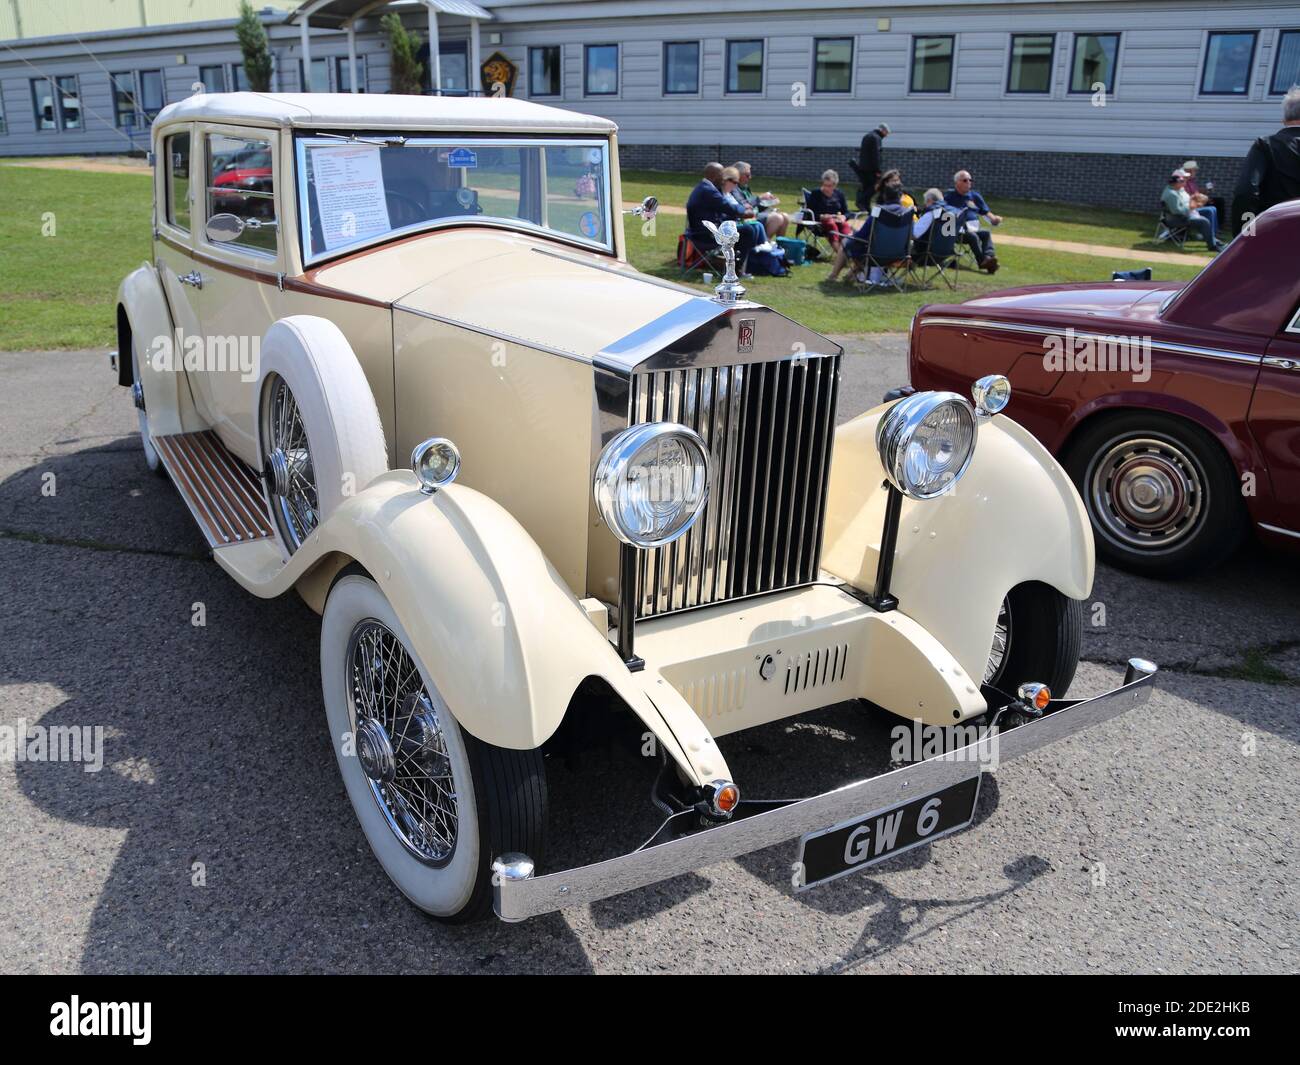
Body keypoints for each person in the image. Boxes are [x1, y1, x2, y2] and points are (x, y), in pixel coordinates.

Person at [1232, 87, 1300, 235]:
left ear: (1284, 120)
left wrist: (1245, 231)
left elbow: (1246, 191)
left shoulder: (1265, 145)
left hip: (1275, 231)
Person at [827, 170, 914, 284]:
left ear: (885, 195)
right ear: (900, 196)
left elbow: (861, 235)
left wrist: (851, 235)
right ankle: (850, 275)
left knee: (848, 242)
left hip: (876, 254)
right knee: (865, 246)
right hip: (900, 255)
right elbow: (911, 234)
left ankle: (833, 276)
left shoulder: (879, 211)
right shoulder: (908, 213)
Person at [686, 161, 758, 275]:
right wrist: (745, 211)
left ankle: (730, 265)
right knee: (748, 230)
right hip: (705, 235)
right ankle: (735, 270)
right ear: (714, 175)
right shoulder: (708, 191)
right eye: (721, 175)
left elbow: (723, 209)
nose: (723, 178)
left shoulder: (703, 187)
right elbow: (728, 207)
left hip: (699, 231)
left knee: (741, 228)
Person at [944, 170, 1001, 273]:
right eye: (965, 180)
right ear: (957, 183)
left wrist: (994, 219)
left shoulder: (975, 196)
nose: (969, 182)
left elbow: (985, 212)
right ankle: (982, 262)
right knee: (973, 237)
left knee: (986, 233)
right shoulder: (949, 196)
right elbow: (944, 211)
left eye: (970, 180)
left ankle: (989, 257)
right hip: (957, 232)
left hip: (973, 229)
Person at [1162, 170, 1222, 250]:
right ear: (1175, 183)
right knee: (1203, 221)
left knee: (1208, 213)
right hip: (1177, 219)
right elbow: (1177, 211)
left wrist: (1194, 201)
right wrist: (1191, 207)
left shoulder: (1179, 190)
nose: (1184, 182)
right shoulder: (1171, 194)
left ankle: (1213, 240)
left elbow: (1186, 202)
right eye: (1182, 181)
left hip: (1186, 214)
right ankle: (1212, 245)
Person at [732, 161, 789, 238]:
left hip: (755, 214)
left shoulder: (745, 188)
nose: (750, 177)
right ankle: (764, 243)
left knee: (785, 216)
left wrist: (768, 205)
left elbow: (753, 205)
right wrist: (760, 198)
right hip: (746, 218)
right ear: (738, 175)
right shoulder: (734, 188)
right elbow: (744, 204)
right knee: (777, 218)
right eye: (747, 175)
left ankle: (781, 245)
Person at [719, 166, 770, 247]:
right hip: (727, 224)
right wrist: (745, 211)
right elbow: (732, 209)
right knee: (752, 227)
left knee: (757, 225)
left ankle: (763, 247)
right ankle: (757, 251)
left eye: (737, 182)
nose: (735, 185)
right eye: (734, 182)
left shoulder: (728, 194)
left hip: (737, 219)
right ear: (726, 180)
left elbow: (739, 206)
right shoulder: (720, 195)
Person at [807, 169, 854, 249]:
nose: (826, 188)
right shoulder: (816, 194)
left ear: (835, 185)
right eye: (824, 185)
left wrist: (844, 217)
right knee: (831, 223)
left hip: (838, 221)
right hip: (821, 224)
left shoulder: (839, 194)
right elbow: (809, 213)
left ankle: (848, 247)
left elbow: (847, 212)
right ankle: (841, 253)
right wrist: (821, 216)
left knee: (845, 225)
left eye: (829, 186)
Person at [850, 122, 890, 210]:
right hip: (872, 169)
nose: (886, 135)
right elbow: (876, 155)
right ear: (882, 130)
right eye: (886, 133)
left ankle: (864, 206)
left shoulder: (867, 136)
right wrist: (878, 170)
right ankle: (861, 201)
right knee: (875, 187)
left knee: (867, 187)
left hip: (863, 167)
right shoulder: (877, 138)